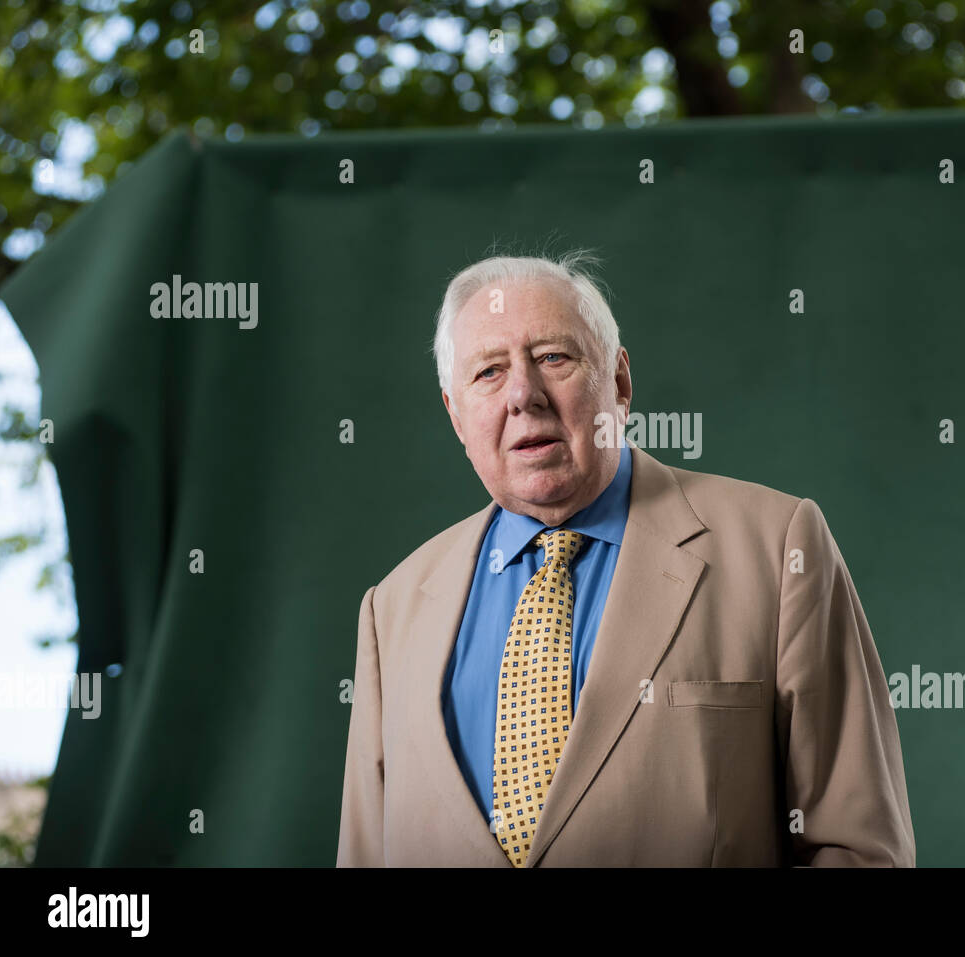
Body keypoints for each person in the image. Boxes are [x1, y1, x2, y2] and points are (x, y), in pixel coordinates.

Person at [336, 250, 916, 867]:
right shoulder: (392, 608)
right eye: (488, 373)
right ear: (455, 414)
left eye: (553, 358)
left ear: (618, 381)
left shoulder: (778, 548)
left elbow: (860, 849)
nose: (523, 395)